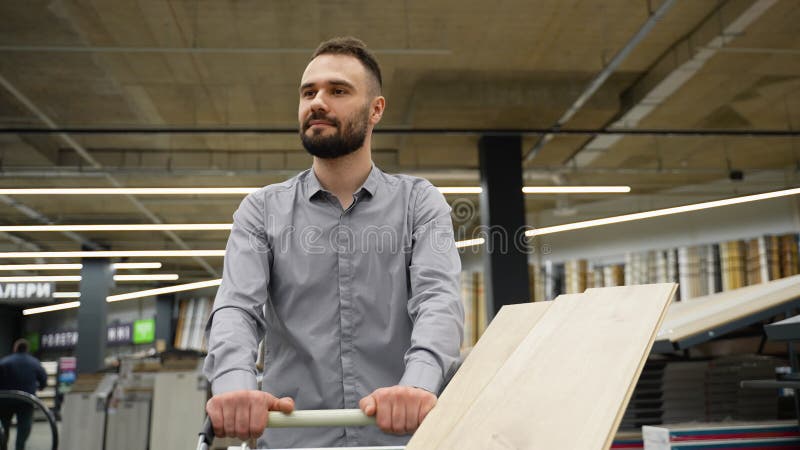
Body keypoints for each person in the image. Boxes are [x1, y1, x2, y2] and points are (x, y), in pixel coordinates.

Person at [203, 36, 464, 448]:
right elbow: (236, 309)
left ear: (376, 109)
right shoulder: (261, 210)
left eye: (338, 91)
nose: (318, 102)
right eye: (308, 93)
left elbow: (439, 302)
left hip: (400, 439)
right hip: (294, 441)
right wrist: (235, 385)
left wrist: (417, 385)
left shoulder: (419, 203)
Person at [0, 339, 47, 450]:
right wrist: (41, 387)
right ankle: (19, 446)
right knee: (24, 427)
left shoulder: (5, 361)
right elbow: (43, 379)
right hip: (26, 400)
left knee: (4, 426)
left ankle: (3, 445)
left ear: (15, 348)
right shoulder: (34, 362)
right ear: (27, 349)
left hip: (6, 399)